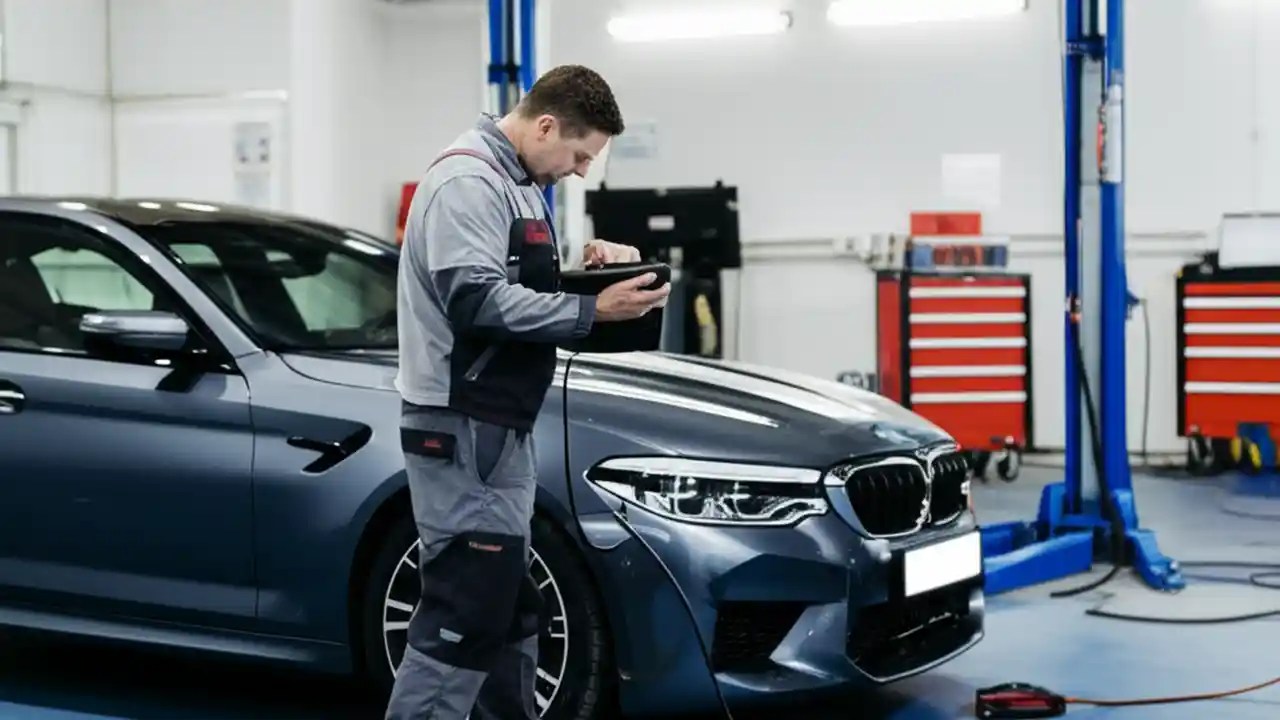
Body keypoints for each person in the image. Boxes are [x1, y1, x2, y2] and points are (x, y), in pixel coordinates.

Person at [387, 64, 669, 720]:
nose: (580, 171)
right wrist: (592, 313)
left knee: (512, 611)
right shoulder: (467, 181)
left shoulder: (515, 184)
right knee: (464, 615)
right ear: (545, 125)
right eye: (579, 154)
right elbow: (476, 301)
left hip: (498, 425)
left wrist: (592, 276)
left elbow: (514, 283)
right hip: (461, 424)